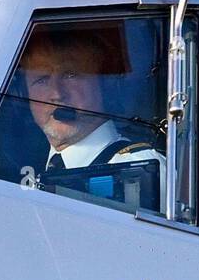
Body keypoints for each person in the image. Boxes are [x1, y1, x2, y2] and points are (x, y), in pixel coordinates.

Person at [19, 27, 163, 173]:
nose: (56, 93)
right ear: (24, 94)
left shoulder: (142, 168)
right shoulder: (16, 174)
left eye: (70, 75)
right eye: (42, 80)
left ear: (105, 85)